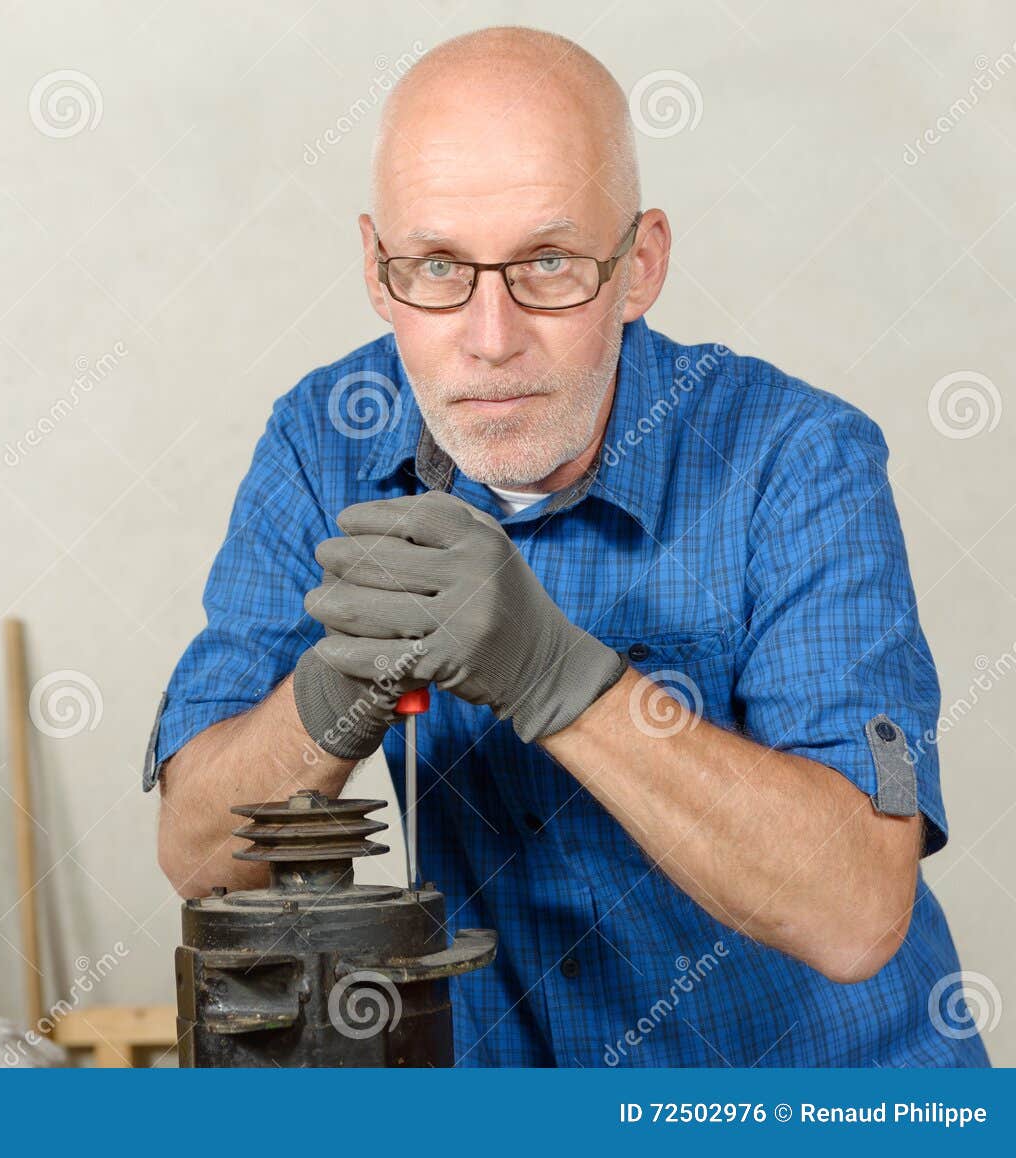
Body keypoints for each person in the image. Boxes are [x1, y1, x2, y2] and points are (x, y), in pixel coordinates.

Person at [146, 26, 986, 1067]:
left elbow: (856, 909)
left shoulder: (793, 457)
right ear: (376, 270)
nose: (490, 337)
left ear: (639, 267)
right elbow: (195, 855)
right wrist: (328, 695)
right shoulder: (325, 442)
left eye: (548, 262)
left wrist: (564, 680)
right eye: (438, 266)